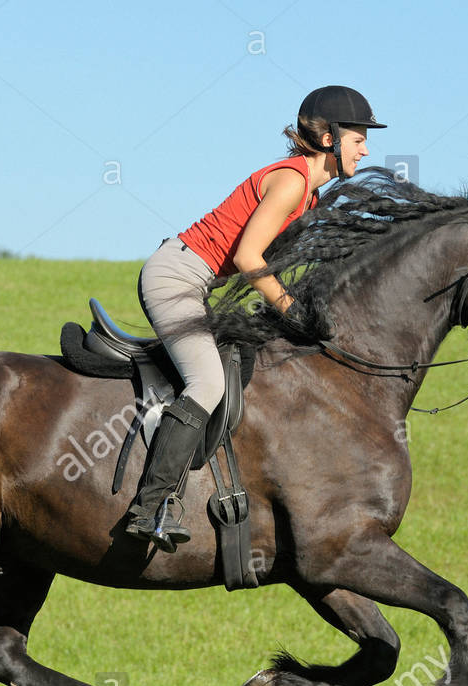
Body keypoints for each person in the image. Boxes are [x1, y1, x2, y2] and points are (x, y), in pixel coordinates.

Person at [126, 85, 386, 552]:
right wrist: (292, 312)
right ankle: (151, 507)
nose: (366, 148)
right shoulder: (292, 182)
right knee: (207, 384)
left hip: (196, 281)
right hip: (175, 277)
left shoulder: (310, 193)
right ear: (329, 138)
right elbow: (248, 257)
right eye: (359, 138)